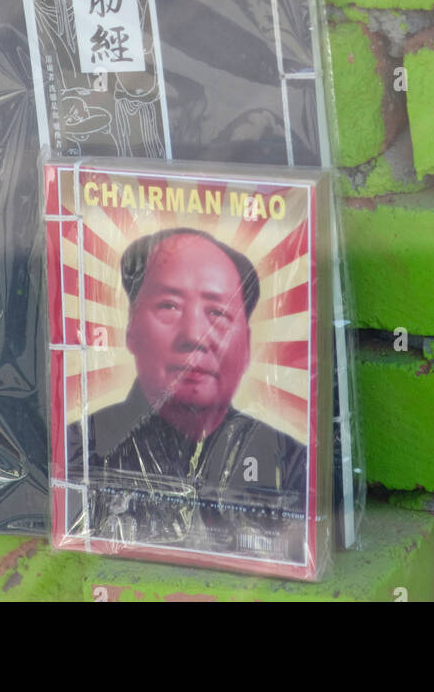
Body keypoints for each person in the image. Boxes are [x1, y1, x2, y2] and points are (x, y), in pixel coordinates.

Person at [66, 228, 308, 558]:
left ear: (246, 345)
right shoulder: (81, 446)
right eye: (169, 306)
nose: (195, 335)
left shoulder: (293, 463)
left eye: (218, 313)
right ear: (132, 328)